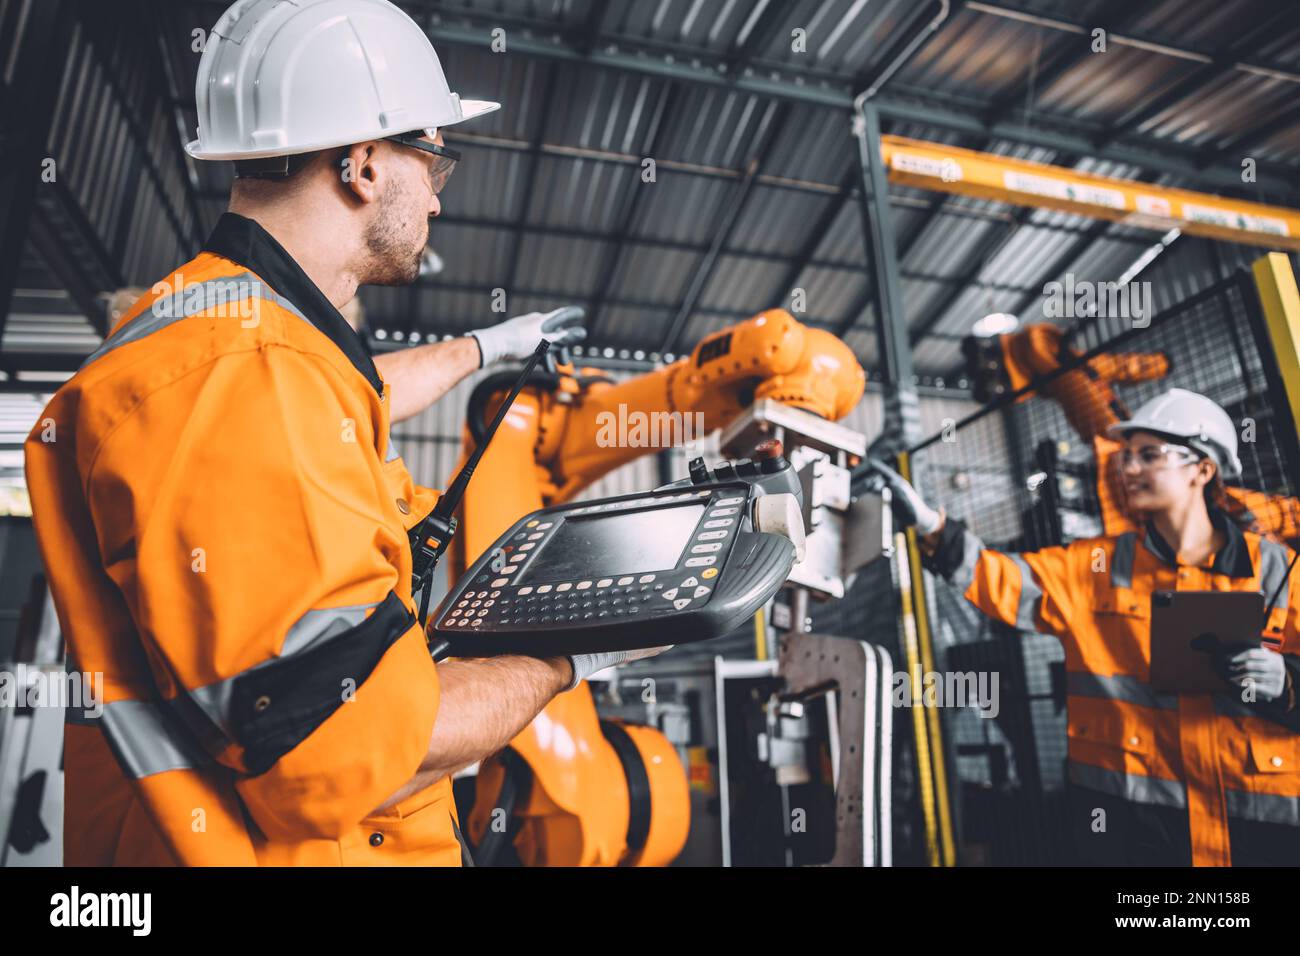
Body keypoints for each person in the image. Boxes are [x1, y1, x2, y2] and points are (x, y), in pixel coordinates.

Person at [24, 0, 663, 866]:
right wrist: (566, 658)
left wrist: (485, 347)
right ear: (363, 164)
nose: (437, 198)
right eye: (434, 162)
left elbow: (352, 395)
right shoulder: (240, 376)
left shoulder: (233, 330)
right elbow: (344, 754)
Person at [868, 388, 1300, 866]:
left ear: (1202, 469)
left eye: (1148, 455)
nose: (1128, 468)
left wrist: (1287, 682)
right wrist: (931, 525)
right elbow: (1003, 579)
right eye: (1127, 455)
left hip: (1262, 833)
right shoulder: (1096, 566)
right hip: (1137, 836)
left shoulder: (1282, 573)